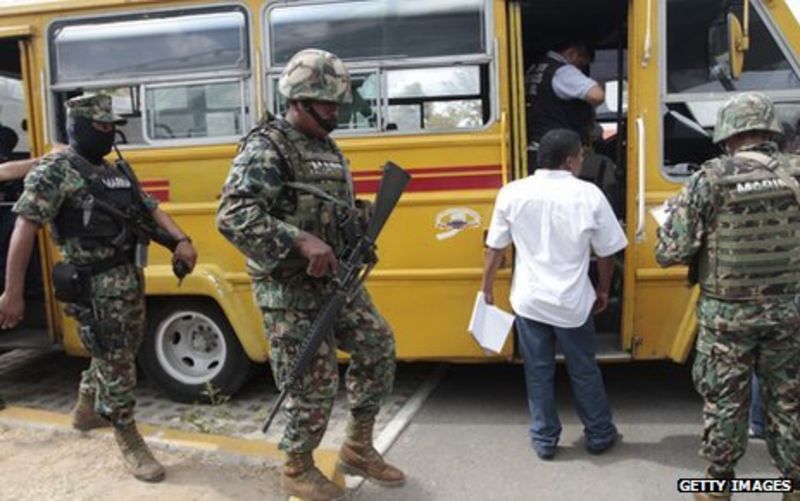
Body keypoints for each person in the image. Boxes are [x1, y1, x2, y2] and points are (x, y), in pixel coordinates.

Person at [217, 48, 404, 500]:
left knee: (378, 346)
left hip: (335, 279)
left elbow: (332, 210)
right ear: (298, 101)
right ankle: (297, 467)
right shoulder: (268, 148)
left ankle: (357, 447)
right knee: (313, 382)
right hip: (289, 289)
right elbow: (232, 215)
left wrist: (359, 229)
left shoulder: (326, 148)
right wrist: (299, 240)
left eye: (339, 103)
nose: (336, 112)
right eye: (327, 104)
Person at [0, 93, 197, 483]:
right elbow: (25, 227)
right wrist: (13, 293)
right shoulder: (55, 171)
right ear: (78, 127)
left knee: (117, 350)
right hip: (93, 283)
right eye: (101, 126)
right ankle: (128, 436)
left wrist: (181, 240)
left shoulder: (115, 171)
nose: (108, 133)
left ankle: (85, 408)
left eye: (112, 126)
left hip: (128, 277)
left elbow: (149, 207)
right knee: (117, 359)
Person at [656, 92, 800, 501]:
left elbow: (671, 252)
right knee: (788, 399)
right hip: (789, 311)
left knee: (725, 401)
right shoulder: (796, 172)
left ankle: (717, 487)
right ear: (771, 129)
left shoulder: (710, 179)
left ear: (728, 135)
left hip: (727, 316)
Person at [480, 128, 627, 460]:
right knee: (584, 370)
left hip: (530, 301)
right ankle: (599, 434)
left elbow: (494, 249)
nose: (582, 161)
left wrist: (486, 288)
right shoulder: (588, 195)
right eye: (581, 156)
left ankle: (545, 439)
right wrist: (603, 289)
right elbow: (607, 252)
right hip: (573, 303)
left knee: (538, 370)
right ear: (570, 160)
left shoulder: (512, 193)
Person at [525, 40, 605, 173]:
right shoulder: (562, 71)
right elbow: (597, 95)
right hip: (559, 155)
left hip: (535, 150)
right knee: (603, 164)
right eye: (580, 64)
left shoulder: (534, 69)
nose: (579, 70)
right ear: (572, 53)